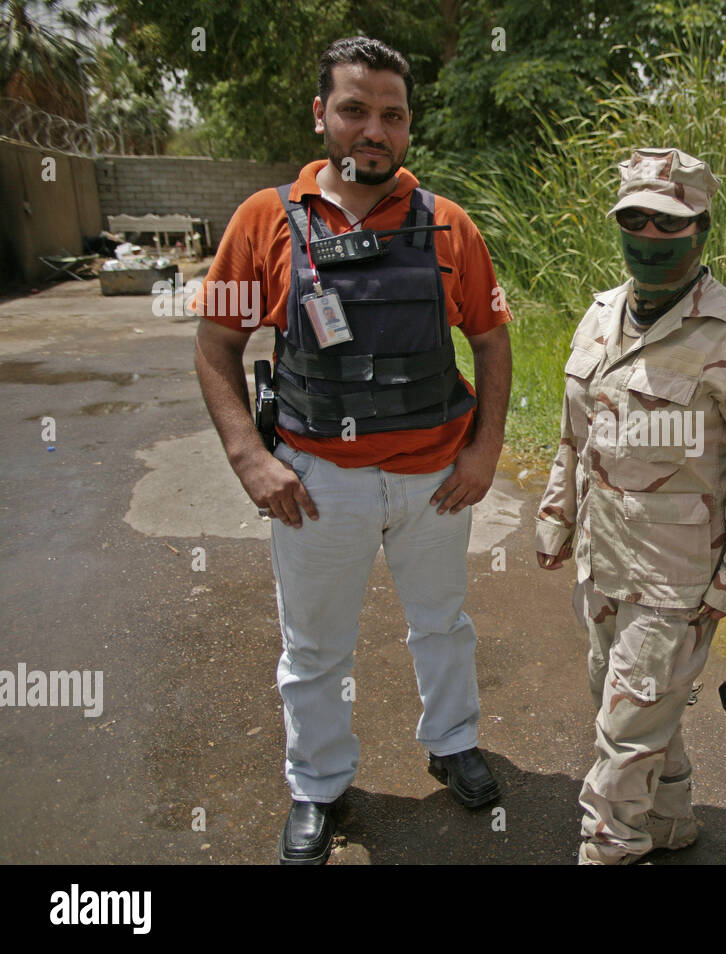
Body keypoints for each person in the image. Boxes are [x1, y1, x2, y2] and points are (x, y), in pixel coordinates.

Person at [193, 36, 512, 864]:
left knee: (442, 625)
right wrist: (248, 459)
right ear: (322, 115)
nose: (375, 128)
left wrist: (483, 452)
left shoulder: (447, 222)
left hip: (434, 481)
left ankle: (452, 743)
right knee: (314, 648)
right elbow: (215, 340)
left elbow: (491, 337)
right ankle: (319, 786)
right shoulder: (266, 218)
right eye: (356, 110)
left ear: (408, 127)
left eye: (393, 115)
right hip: (316, 483)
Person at [535, 147, 726, 864]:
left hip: (677, 579)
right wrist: (555, 516)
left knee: (623, 735)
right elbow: (576, 431)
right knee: (625, 705)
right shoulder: (602, 312)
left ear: (702, 229)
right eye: (634, 219)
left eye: (669, 223)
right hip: (605, 563)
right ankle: (669, 823)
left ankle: (612, 844)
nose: (649, 237)